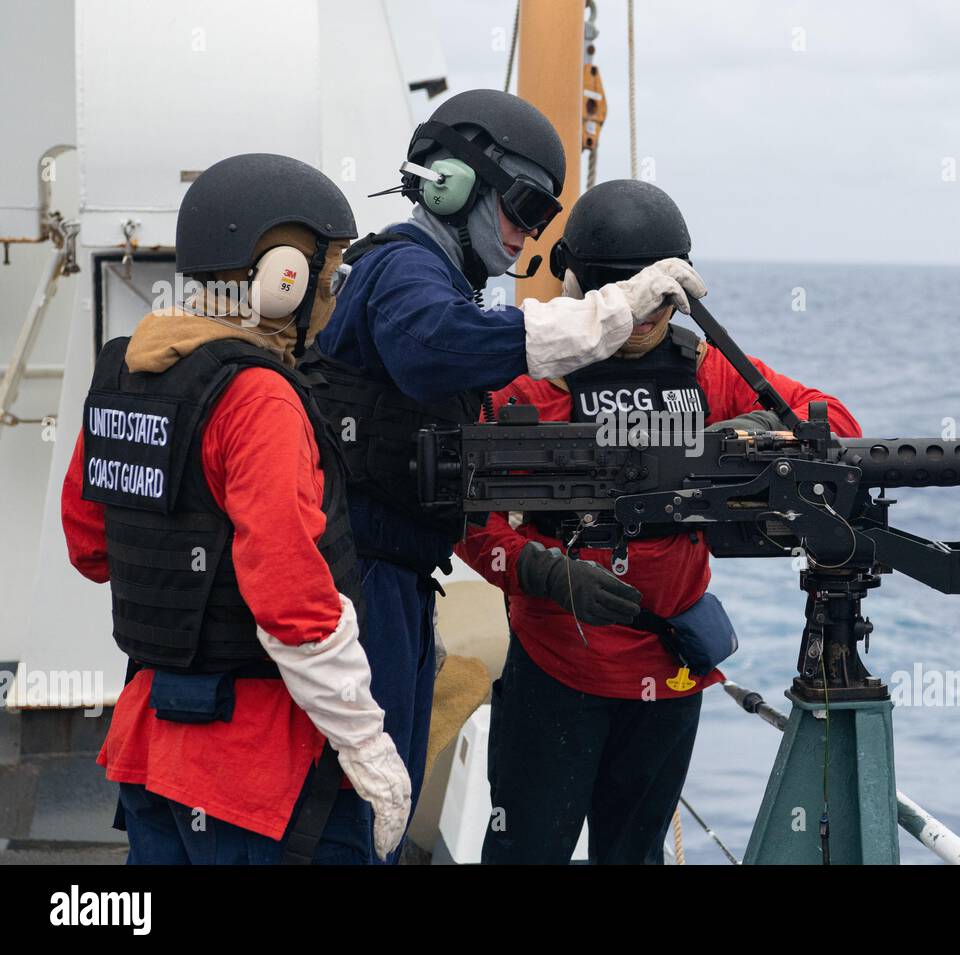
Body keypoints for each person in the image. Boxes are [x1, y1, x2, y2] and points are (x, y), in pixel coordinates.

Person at [303, 89, 705, 859]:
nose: (526, 233)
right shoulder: (402, 270)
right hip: (364, 584)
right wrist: (610, 313)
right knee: (350, 819)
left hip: (396, 581)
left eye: (541, 218)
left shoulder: (432, 284)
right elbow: (438, 346)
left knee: (378, 808)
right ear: (452, 183)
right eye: (522, 207)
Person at [454, 179, 863, 864]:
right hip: (556, 671)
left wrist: (752, 432)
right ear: (583, 286)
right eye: (625, 294)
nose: (643, 317)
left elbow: (835, 425)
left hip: (669, 673)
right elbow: (464, 513)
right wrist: (541, 572)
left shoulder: (705, 370)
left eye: (657, 300)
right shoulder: (529, 383)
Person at [61, 153, 409, 864]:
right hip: (256, 770)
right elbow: (289, 598)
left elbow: (90, 549)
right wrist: (366, 744)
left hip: (148, 745)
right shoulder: (260, 398)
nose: (331, 297)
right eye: (328, 275)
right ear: (284, 277)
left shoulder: (126, 371)